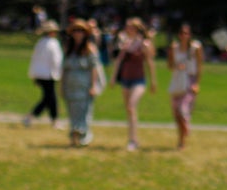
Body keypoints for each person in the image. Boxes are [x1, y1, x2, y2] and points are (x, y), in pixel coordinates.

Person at [112, 17, 156, 151]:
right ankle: (132, 138)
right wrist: (113, 78)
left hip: (139, 80)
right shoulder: (125, 43)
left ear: (136, 29)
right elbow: (119, 61)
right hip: (125, 79)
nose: (127, 29)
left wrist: (153, 81)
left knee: (131, 106)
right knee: (129, 110)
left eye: (130, 27)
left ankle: (133, 140)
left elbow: (150, 62)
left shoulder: (144, 44)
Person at [61, 19, 104, 147]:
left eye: (80, 31)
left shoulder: (90, 49)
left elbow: (94, 68)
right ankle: (74, 136)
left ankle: (84, 136)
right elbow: (64, 69)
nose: (78, 33)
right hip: (71, 85)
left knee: (84, 112)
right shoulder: (68, 49)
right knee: (72, 111)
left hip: (84, 86)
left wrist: (93, 86)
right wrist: (62, 86)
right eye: (75, 31)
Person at [167, 23, 203, 150]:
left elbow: (200, 66)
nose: (184, 36)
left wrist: (197, 83)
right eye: (182, 33)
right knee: (176, 112)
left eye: (187, 33)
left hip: (189, 80)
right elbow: (170, 66)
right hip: (177, 80)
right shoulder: (174, 48)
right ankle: (181, 137)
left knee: (182, 110)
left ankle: (183, 137)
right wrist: (177, 66)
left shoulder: (195, 48)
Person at [24, 20, 63, 128]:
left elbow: (34, 60)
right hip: (49, 75)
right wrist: (59, 73)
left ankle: (51, 119)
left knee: (48, 98)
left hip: (40, 74)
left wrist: (33, 74)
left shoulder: (40, 43)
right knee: (49, 98)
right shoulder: (53, 43)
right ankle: (35, 117)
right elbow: (56, 61)